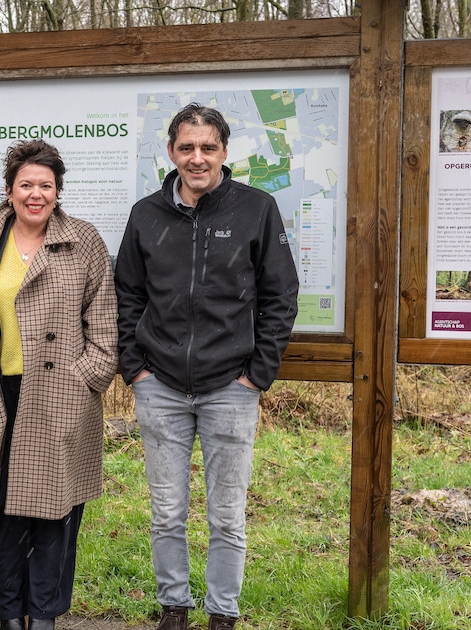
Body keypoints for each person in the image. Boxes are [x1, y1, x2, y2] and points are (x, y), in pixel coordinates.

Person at [114, 103, 299, 630]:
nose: (197, 158)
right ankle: (174, 607)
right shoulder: (146, 214)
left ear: (224, 151)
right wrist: (136, 368)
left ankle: (222, 614)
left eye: (208, 147)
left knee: (226, 515)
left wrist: (256, 374)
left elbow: (281, 294)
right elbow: (126, 293)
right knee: (167, 512)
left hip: (231, 388)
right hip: (160, 387)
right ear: (171, 152)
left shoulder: (255, 209)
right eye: (187, 147)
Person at [0, 140, 119, 630]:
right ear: (9, 190)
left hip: (59, 394)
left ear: (59, 191)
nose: (36, 194)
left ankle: (43, 613)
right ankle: (8, 612)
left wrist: (87, 378)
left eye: (46, 185)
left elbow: (104, 323)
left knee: (54, 509)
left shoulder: (84, 240)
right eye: (26, 184)